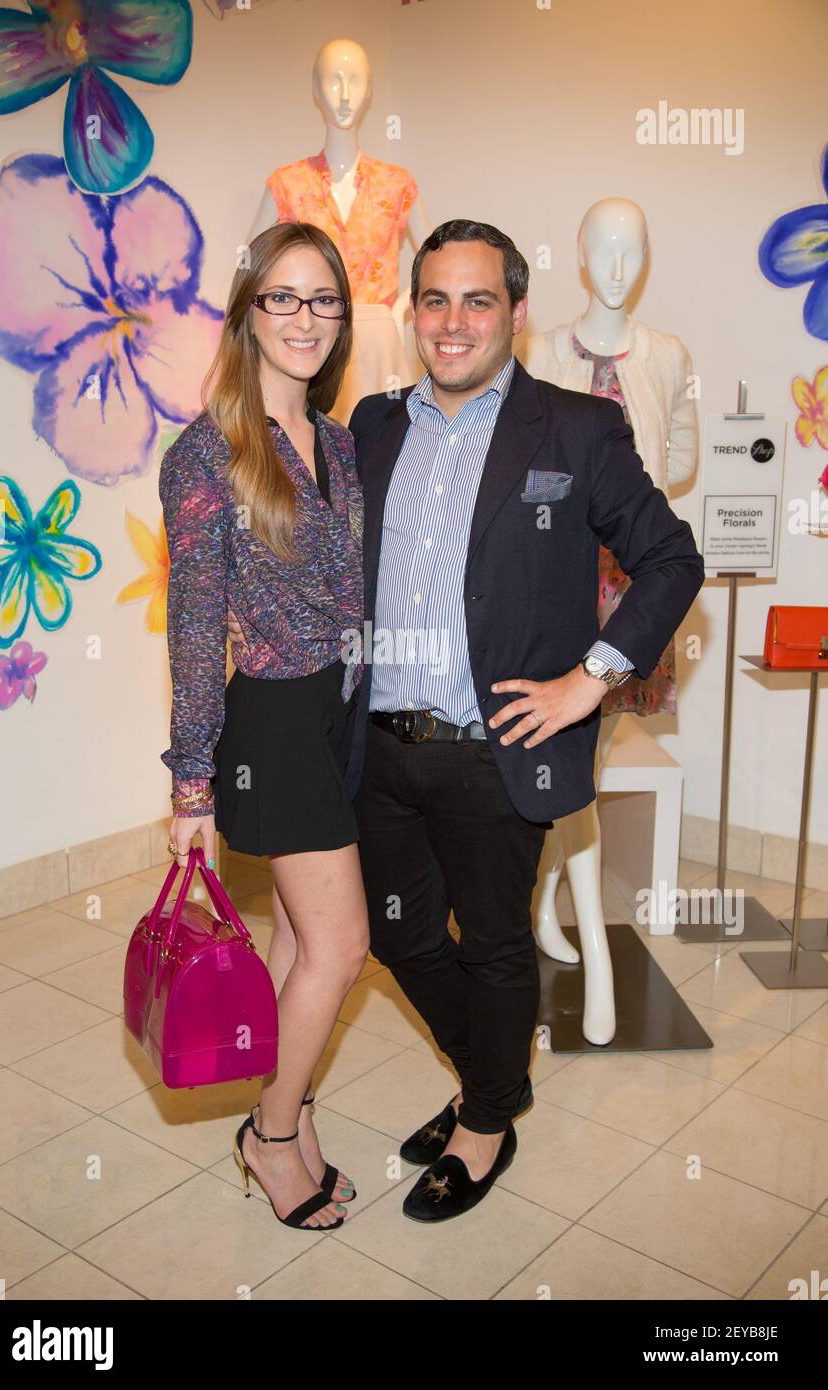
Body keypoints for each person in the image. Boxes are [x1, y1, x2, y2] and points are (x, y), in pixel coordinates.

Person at [340, 219, 704, 1222]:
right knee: (397, 935)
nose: (452, 323)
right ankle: (493, 1078)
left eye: (477, 300)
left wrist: (590, 679)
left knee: (495, 943)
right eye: (434, 300)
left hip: (494, 747)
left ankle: (484, 1123)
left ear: (513, 311)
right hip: (375, 743)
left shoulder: (572, 430)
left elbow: (670, 559)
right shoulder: (372, 425)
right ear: (413, 310)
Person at [160, 222, 369, 1231]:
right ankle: (271, 1136)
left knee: (293, 939)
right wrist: (190, 785)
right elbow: (196, 632)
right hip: (272, 722)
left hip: (336, 711)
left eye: (322, 299)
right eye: (281, 298)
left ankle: (287, 1106)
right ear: (246, 312)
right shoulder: (205, 452)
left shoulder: (336, 441)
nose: (304, 318)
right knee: (341, 945)